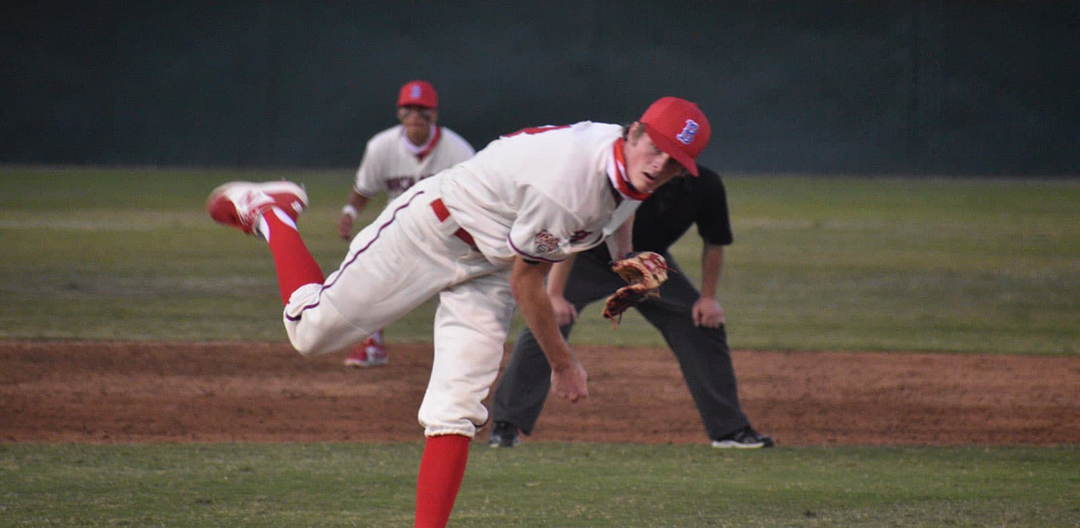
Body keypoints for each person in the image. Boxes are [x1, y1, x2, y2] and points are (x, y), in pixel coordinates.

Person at [205, 96, 710, 528]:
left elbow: (623, 202)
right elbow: (528, 283)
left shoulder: (626, 158)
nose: (660, 166)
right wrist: (563, 364)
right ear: (636, 132)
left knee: (457, 409)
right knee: (309, 332)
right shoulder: (568, 189)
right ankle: (273, 213)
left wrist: (623, 256)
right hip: (431, 232)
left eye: (674, 163)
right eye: (657, 150)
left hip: (493, 263)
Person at [488, 163, 774, 450]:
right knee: (548, 319)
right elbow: (573, 236)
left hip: (646, 262)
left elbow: (715, 242)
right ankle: (506, 424)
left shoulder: (705, 184)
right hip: (588, 255)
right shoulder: (631, 175)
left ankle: (729, 430)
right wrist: (556, 295)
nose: (668, 162)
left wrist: (708, 298)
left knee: (698, 321)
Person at [337, 79, 475, 368]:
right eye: (408, 109)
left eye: (421, 109)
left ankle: (463, 355)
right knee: (373, 281)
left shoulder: (458, 150)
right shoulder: (381, 146)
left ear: (433, 114)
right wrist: (350, 212)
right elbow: (364, 190)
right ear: (399, 113)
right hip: (398, 228)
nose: (414, 116)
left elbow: (476, 196)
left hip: (446, 231)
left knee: (460, 292)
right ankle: (373, 345)